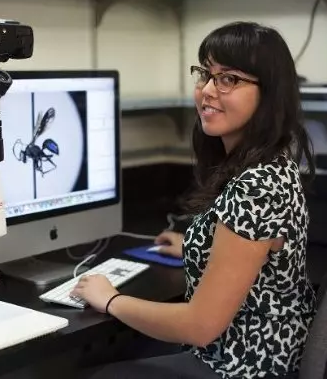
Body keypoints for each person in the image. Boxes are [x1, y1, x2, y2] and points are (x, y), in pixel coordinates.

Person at [71, 21, 316, 379]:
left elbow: (200, 326)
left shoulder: (256, 187)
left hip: (244, 365)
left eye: (229, 79)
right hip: (269, 352)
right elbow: (256, 257)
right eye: (205, 73)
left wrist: (110, 299)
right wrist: (193, 247)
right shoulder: (272, 165)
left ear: (270, 94)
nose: (207, 90)